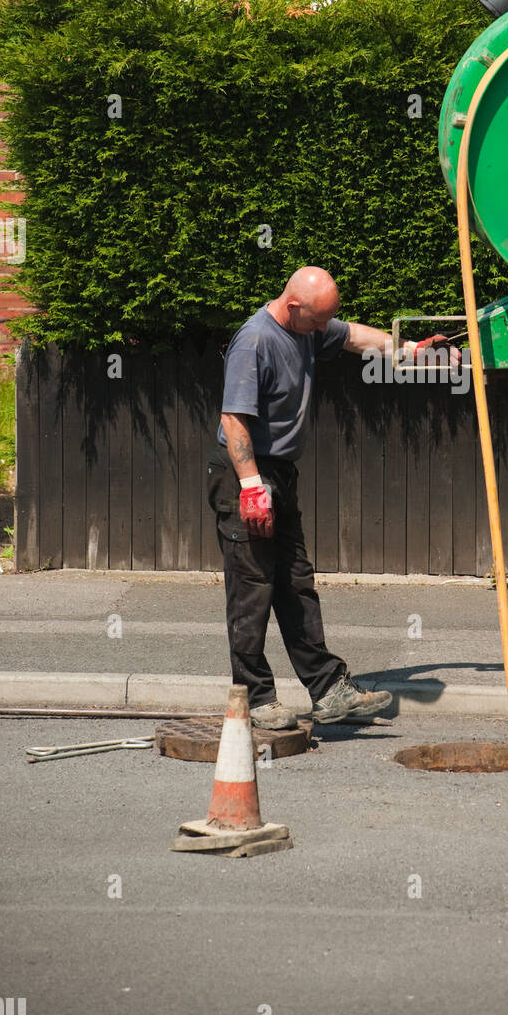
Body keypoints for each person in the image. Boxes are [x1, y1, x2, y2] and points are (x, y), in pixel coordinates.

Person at [207, 266, 458, 729]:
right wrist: (251, 488)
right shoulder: (255, 341)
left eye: (327, 320)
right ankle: (256, 699)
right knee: (251, 590)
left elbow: (354, 337)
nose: (324, 329)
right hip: (245, 476)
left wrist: (409, 351)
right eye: (318, 320)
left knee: (295, 583)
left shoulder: (307, 329)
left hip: (279, 474)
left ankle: (327, 690)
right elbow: (233, 420)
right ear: (294, 306)